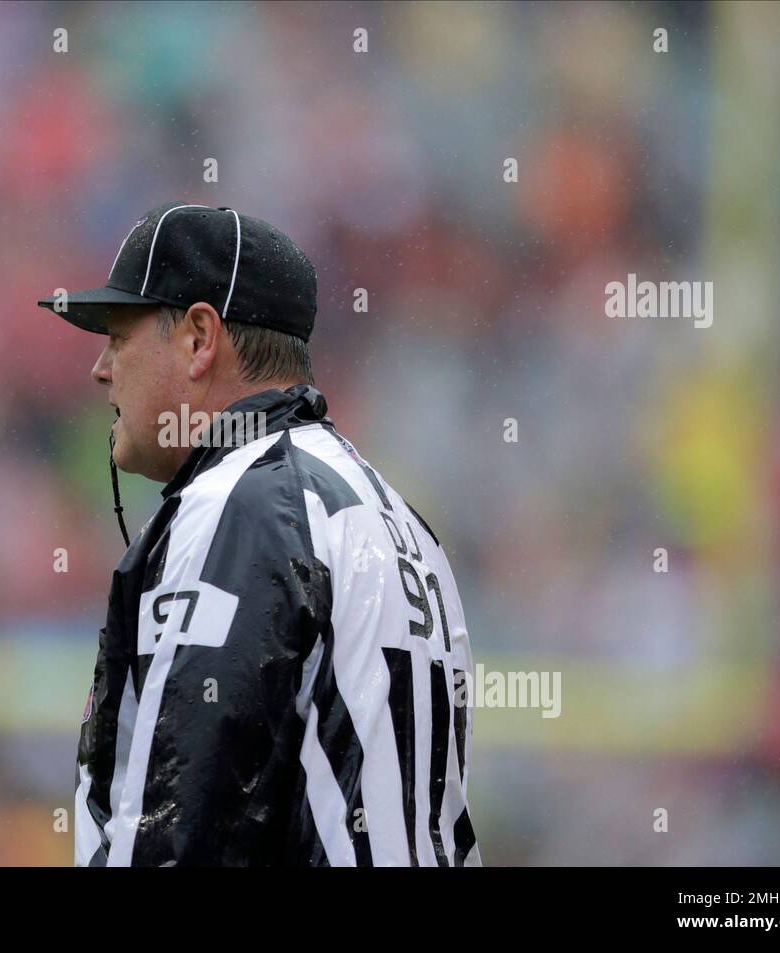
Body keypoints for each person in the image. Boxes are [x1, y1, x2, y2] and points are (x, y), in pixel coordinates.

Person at [37, 201, 480, 866]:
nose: (100, 368)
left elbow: (181, 830)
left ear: (197, 338)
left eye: (118, 336)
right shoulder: (397, 517)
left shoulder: (235, 507)